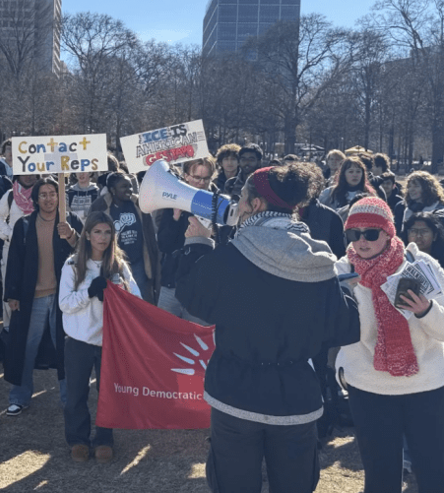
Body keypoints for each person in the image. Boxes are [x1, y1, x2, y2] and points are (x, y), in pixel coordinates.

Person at [176, 163, 360, 493]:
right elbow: (345, 328)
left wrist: (198, 245)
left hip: (235, 395)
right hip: (296, 399)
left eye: (243, 198)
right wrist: (345, 289)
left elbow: (193, 299)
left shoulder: (232, 255)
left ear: (257, 204)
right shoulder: (318, 260)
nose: (238, 204)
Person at [336, 197, 444, 492]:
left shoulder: (421, 264)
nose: (362, 241)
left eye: (371, 233)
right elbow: (335, 332)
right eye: (353, 234)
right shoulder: (342, 271)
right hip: (368, 388)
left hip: (426, 387)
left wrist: (426, 311)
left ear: (388, 233)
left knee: (434, 472)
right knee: (380, 477)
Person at [59, 211, 140, 463]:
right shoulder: (72, 265)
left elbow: (137, 298)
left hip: (109, 342)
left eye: (107, 232)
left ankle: (104, 439)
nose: (102, 238)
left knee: (107, 394)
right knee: (76, 395)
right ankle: (78, 440)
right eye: (97, 232)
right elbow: (64, 303)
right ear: (87, 235)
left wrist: (120, 293)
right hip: (79, 341)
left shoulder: (119, 265)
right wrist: (90, 292)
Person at [4, 177, 83, 416]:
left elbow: (87, 254)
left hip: (64, 298)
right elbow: (14, 261)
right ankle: (19, 397)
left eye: (53, 193)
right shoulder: (25, 225)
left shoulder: (71, 221)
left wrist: (72, 236)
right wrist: (12, 294)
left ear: (60, 197)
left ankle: (69, 399)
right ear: (36, 199)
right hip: (33, 298)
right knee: (25, 349)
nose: (49, 199)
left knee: (66, 350)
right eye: (43, 194)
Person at [157, 158, 215, 322]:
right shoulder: (172, 201)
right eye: (197, 177)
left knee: (198, 334)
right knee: (164, 330)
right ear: (186, 176)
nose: (201, 183)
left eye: (206, 178)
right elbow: (163, 244)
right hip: (172, 282)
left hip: (202, 287)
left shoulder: (218, 204)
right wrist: (175, 217)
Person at [89, 172, 160, 304]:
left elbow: (149, 234)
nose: (129, 190)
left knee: (140, 302)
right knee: (118, 302)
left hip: (138, 263)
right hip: (114, 264)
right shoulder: (100, 207)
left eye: (130, 186)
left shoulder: (139, 204)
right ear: (112, 190)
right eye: (124, 187)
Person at [0, 174, 40, 330]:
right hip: (12, 249)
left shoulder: (43, 194)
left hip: (39, 248)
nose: (28, 177)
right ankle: (9, 327)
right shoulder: (10, 195)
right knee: (10, 287)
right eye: (23, 173)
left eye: (31, 173)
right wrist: (10, 235)